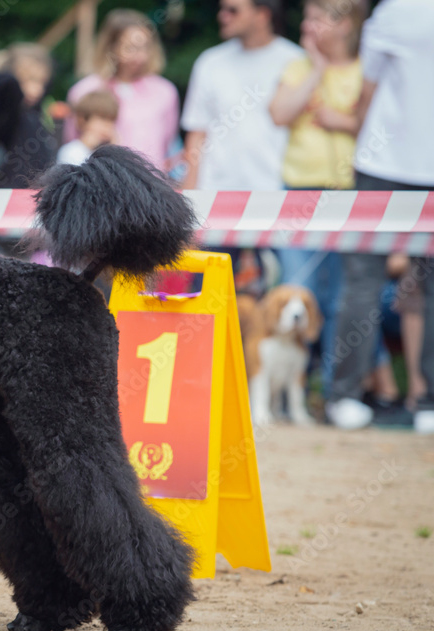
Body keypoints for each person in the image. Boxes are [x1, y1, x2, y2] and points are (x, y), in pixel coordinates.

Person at [325, 0, 434, 433]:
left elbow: (366, 95)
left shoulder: (392, 12)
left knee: (362, 282)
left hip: (383, 163)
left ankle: (344, 397)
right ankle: (427, 403)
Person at [268, 0, 364, 410]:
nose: (306, 24)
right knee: (296, 290)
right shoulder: (298, 67)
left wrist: (337, 120)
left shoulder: (366, 70)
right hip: (299, 189)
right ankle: (293, 389)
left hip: (348, 192)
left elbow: (374, 123)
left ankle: (334, 391)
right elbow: (279, 112)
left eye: (317, 17)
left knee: (343, 294)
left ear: (344, 24)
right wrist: (318, 68)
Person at [180, 0, 301, 191]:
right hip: (215, 189)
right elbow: (197, 132)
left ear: (262, 15)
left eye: (233, 10)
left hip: (276, 190)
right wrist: (189, 192)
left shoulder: (295, 61)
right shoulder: (209, 63)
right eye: (222, 9)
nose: (222, 16)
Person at [65, 9, 178, 172]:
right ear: (111, 47)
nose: (141, 56)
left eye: (145, 47)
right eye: (130, 48)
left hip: (152, 186)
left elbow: (168, 142)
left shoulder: (165, 91)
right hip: (103, 184)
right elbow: (74, 143)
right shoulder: (84, 90)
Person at [57, 90, 118, 166]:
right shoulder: (70, 151)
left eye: (112, 120)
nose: (108, 125)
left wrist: (115, 149)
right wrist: (86, 146)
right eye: (103, 119)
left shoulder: (112, 148)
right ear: (83, 120)